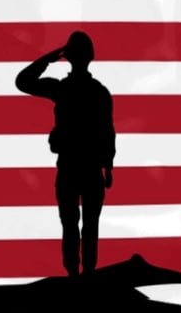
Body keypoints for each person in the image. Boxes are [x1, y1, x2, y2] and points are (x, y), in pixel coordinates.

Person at [15, 31, 115, 276]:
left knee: (73, 225)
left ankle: (77, 275)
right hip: (85, 167)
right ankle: (83, 275)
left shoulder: (63, 89)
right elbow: (108, 132)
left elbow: (24, 81)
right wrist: (108, 167)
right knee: (85, 225)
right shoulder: (97, 92)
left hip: (74, 167)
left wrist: (50, 58)